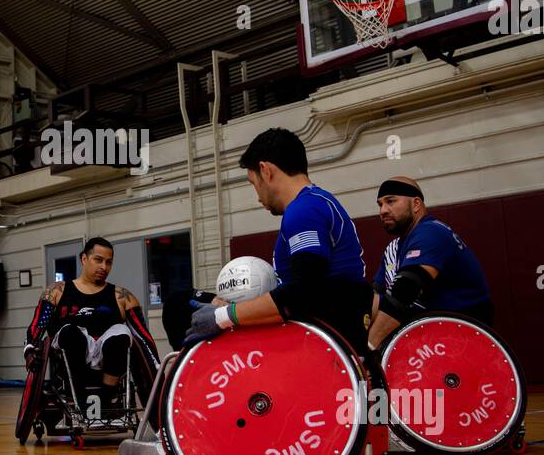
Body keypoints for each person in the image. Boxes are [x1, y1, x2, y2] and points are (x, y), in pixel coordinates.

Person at [183, 127, 371, 353]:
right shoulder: (317, 202)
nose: (257, 196)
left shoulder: (303, 210)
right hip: (336, 332)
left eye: (254, 183)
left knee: (178, 305)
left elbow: (302, 294)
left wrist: (224, 316)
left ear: (266, 170)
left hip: (325, 345)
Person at [24, 237, 160, 408]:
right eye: (98, 260)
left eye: (108, 262)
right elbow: (37, 326)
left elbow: (143, 337)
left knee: (122, 332)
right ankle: (79, 396)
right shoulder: (57, 291)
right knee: (70, 332)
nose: (104, 267)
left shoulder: (123, 297)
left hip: (108, 355)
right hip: (71, 352)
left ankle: (105, 397)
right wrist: (29, 350)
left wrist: (156, 366)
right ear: (84, 259)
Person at [367, 175, 495, 354]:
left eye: (390, 201)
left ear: (416, 204)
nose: (383, 210)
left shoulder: (432, 231)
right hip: (426, 322)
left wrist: (369, 347)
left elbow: (404, 292)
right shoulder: (394, 248)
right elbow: (374, 296)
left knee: (394, 299)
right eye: (380, 204)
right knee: (359, 299)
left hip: (460, 327)